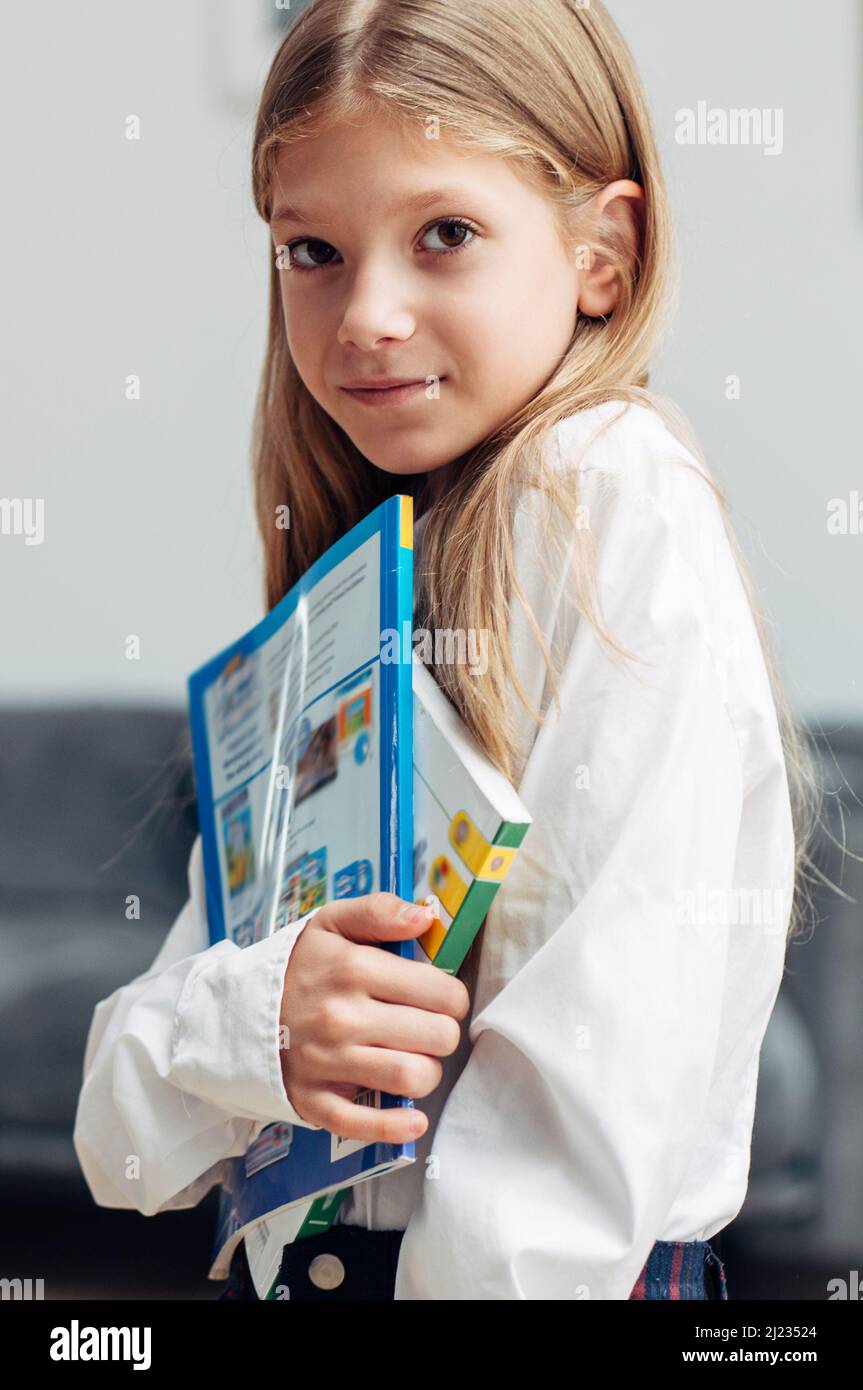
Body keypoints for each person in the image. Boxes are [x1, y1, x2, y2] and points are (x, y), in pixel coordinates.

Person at [74, 0, 816, 1301]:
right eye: (312, 248)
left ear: (606, 252)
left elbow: (559, 1171)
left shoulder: (605, 503)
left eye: (446, 235)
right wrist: (269, 1018)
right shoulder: (340, 611)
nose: (365, 314)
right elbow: (115, 1132)